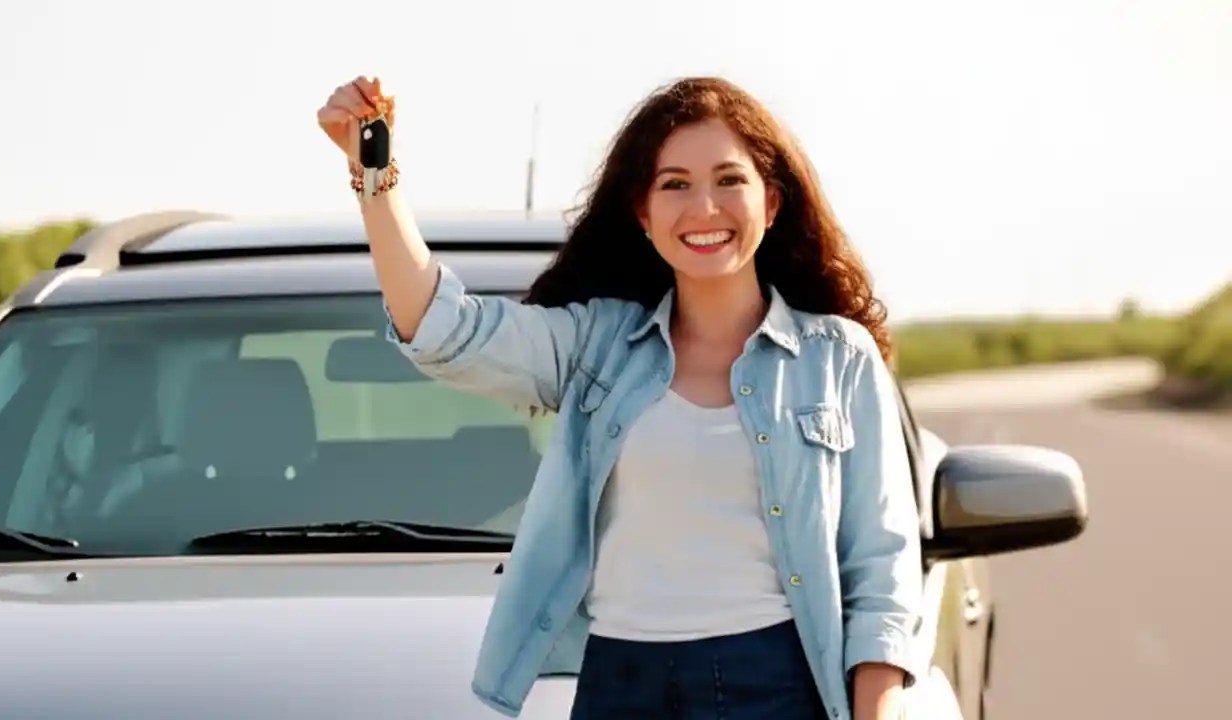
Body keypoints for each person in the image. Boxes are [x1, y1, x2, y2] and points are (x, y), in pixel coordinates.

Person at [316, 74, 923, 720]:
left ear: (771, 204)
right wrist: (374, 173)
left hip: (774, 682)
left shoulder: (839, 359)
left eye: (729, 180)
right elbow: (445, 330)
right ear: (644, 214)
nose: (704, 209)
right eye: (675, 185)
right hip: (620, 683)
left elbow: (881, 577)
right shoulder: (598, 346)